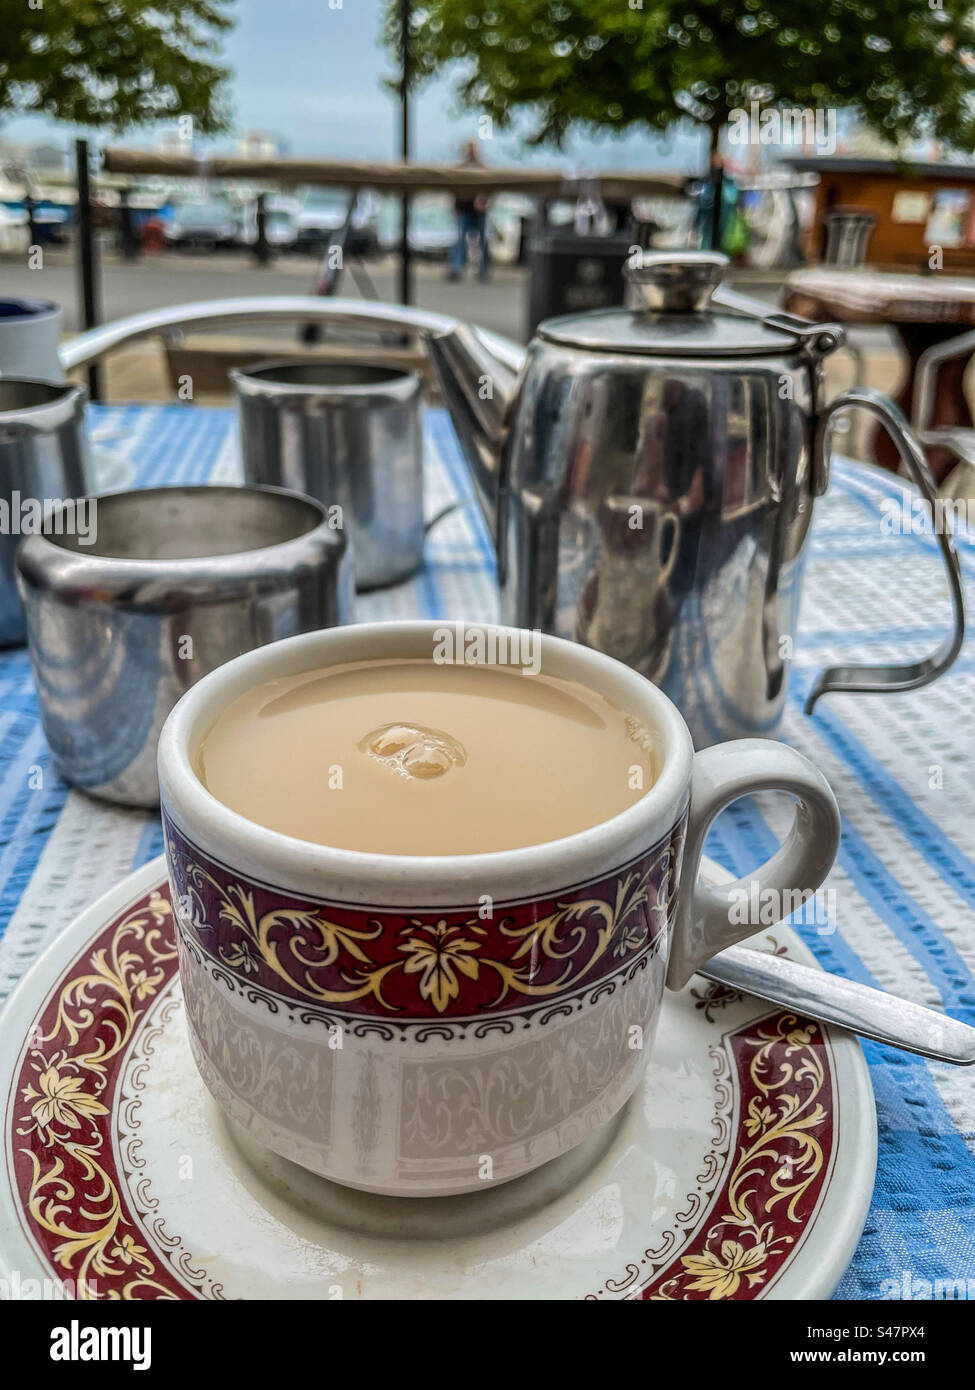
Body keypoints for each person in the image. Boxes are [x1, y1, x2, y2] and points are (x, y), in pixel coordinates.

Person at [447, 140, 490, 282]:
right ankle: (456, 268)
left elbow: (490, 189)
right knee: (460, 239)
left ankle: (483, 269)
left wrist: (486, 202)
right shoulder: (461, 168)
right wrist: (454, 207)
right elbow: (453, 189)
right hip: (464, 209)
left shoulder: (482, 168)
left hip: (479, 211)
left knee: (482, 240)